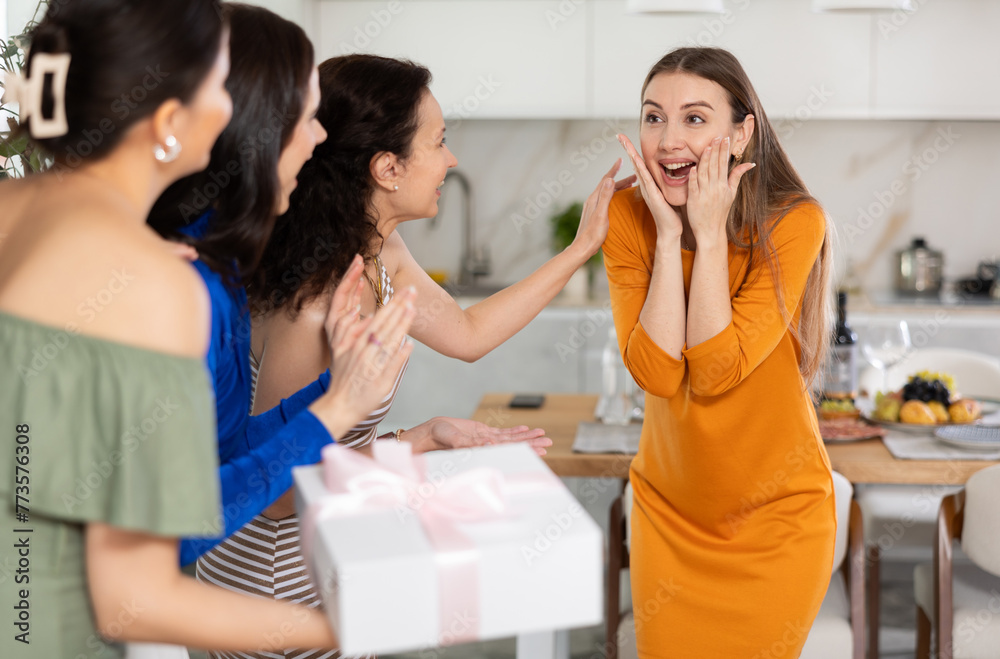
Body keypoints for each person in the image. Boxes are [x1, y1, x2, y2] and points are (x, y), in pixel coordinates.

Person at [0, 1, 408, 656]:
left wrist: (336, 398)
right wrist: (351, 625)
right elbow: (134, 596)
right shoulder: (151, 283)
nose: (232, 109)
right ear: (168, 121)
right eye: (221, 86)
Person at [196, 54, 630, 659]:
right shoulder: (315, 303)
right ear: (387, 168)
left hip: (330, 547)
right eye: (440, 141)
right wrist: (419, 442)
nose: (452, 159)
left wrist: (583, 246)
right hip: (275, 581)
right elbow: (283, 493)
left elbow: (469, 332)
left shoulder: (380, 252)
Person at [605, 47, 836, 657]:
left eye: (695, 119)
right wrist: (669, 235)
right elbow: (657, 373)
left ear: (741, 134)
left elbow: (714, 372)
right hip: (668, 514)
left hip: (776, 522)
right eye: (653, 117)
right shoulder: (628, 216)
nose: (668, 139)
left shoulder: (793, 221)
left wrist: (707, 235)